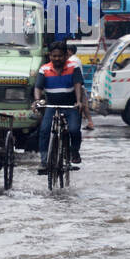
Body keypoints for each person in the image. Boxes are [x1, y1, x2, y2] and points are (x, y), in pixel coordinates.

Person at [33, 40, 86, 172]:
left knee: (74, 130)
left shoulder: (74, 67)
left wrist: (79, 101)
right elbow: (38, 87)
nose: (57, 58)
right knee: (44, 131)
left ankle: (74, 152)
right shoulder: (44, 69)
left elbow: (78, 85)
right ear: (50, 55)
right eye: (54, 56)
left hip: (70, 106)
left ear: (65, 56)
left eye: (59, 56)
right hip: (52, 106)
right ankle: (44, 161)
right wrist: (37, 100)